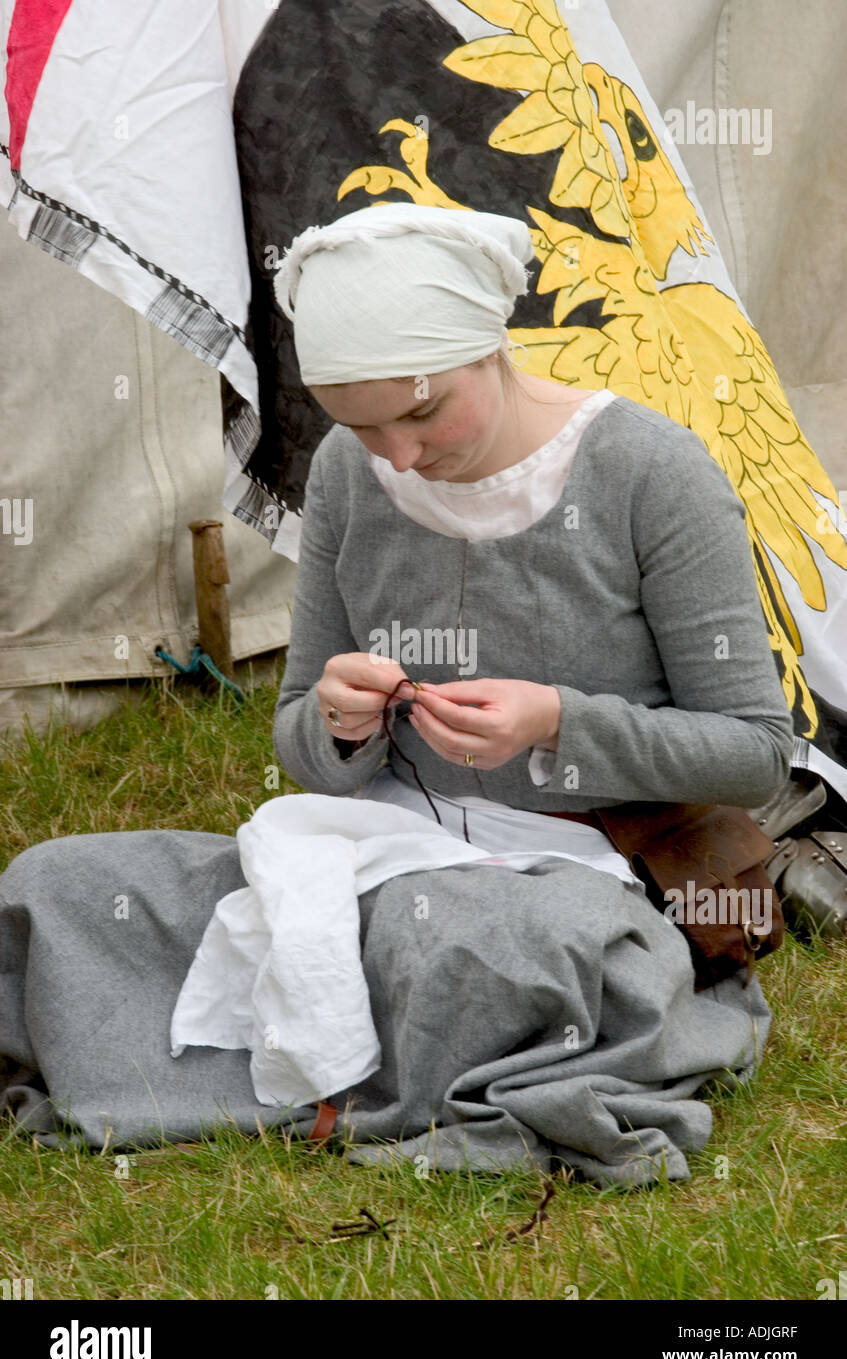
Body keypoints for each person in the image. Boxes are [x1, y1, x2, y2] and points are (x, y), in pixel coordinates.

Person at [0, 202, 793, 1185]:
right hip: (379, 857)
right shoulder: (349, 472)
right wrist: (338, 721)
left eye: (421, 413)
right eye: (360, 423)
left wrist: (558, 723)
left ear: (489, 346)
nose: (398, 456)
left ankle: (324, 1051)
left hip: (574, 871)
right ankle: (376, 1045)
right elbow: (301, 738)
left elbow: (757, 750)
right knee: (59, 886)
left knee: (513, 950)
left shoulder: (650, 473)